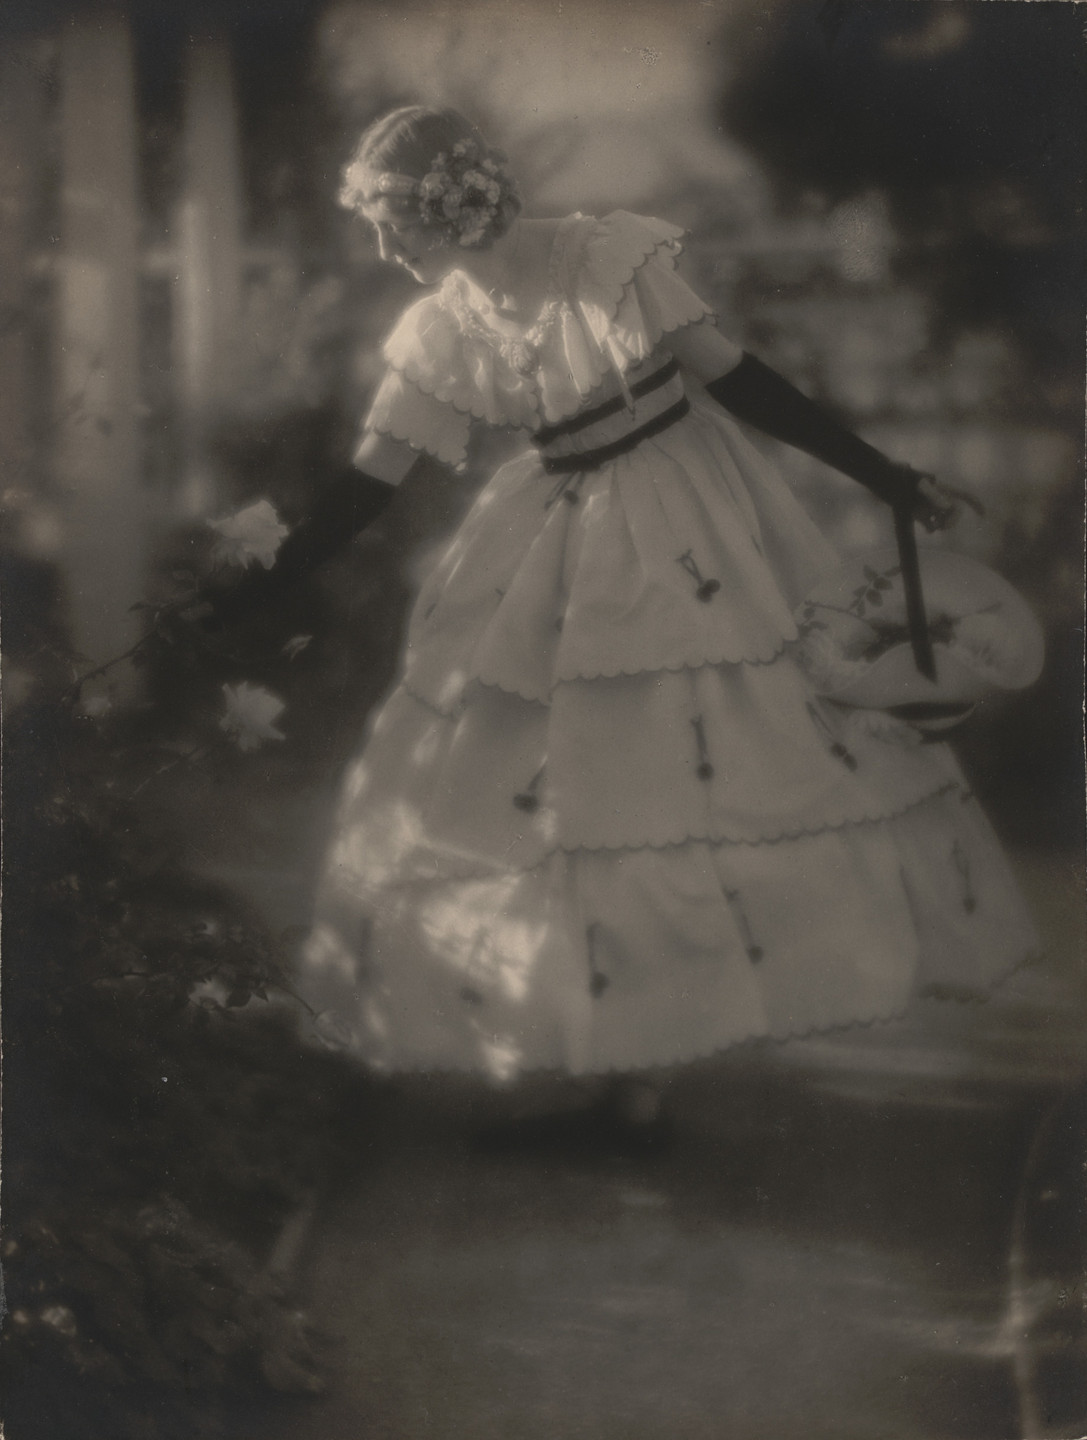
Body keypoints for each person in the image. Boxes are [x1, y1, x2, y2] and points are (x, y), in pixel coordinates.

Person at [217, 106, 1039, 1097]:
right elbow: (372, 481)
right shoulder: (441, 324)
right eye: (375, 227)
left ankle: (652, 1057)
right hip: (550, 522)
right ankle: (603, 1047)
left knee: (691, 771)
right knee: (541, 783)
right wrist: (268, 578)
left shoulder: (601, 261)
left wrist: (888, 477)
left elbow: (741, 384)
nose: (385, 249)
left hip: (679, 511)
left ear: (453, 206)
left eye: (398, 222)